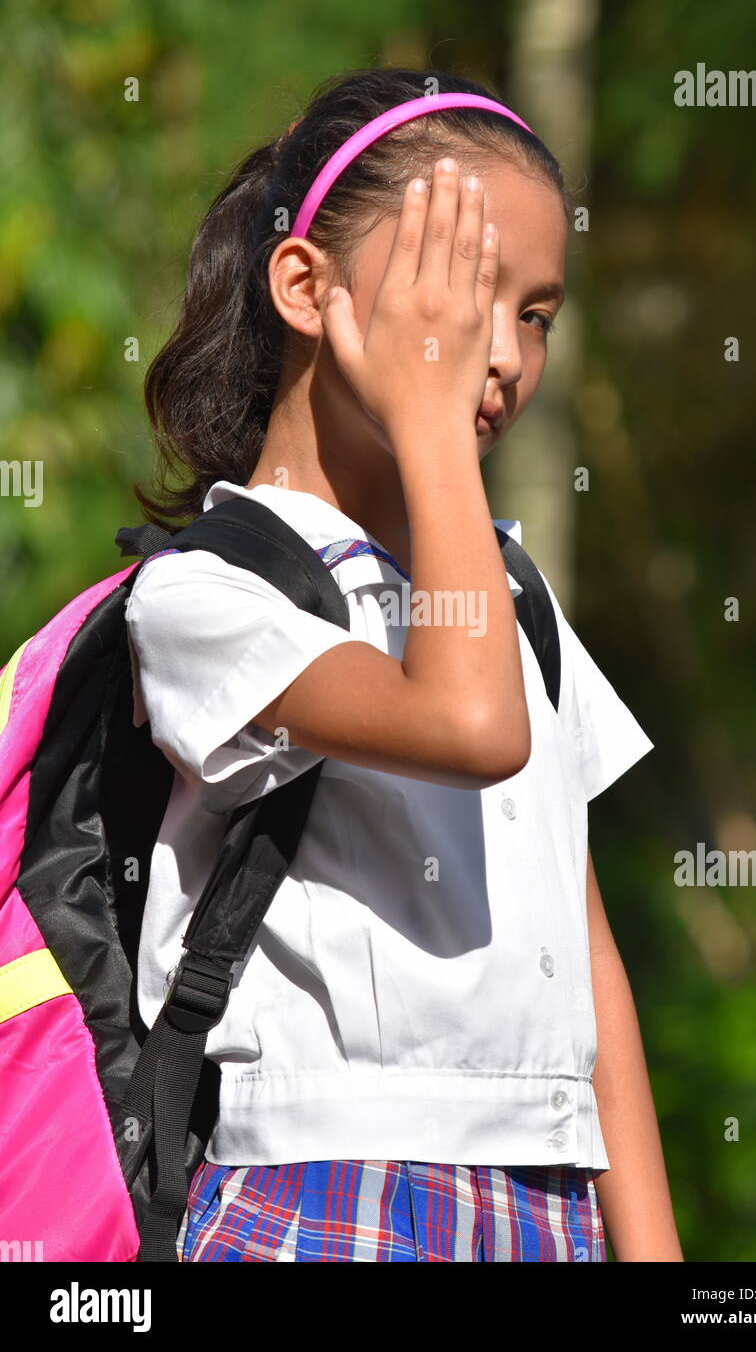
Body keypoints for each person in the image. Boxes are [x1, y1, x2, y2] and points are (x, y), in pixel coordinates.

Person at [125, 66, 683, 1262]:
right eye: (459, 290)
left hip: (550, 1202)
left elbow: (584, 960)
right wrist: (433, 428)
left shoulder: (510, 595)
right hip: (325, 1200)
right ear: (304, 287)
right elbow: (470, 727)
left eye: (534, 313)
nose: (501, 354)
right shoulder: (206, 595)